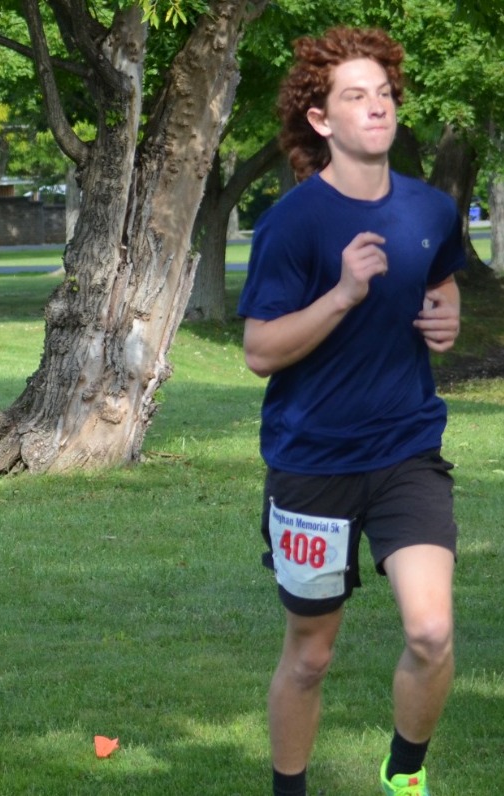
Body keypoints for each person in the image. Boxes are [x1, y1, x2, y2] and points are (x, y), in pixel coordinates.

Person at [237, 27, 464, 796]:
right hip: (311, 463)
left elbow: (440, 273)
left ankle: (403, 775)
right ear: (321, 120)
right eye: (353, 96)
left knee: (430, 633)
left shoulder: (430, 207)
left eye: (383, 93)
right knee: (309, 655)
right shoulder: (292, 222)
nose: (376, 107)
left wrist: (445, 315)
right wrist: (339, 294)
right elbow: (260, 349)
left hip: (405, 451)